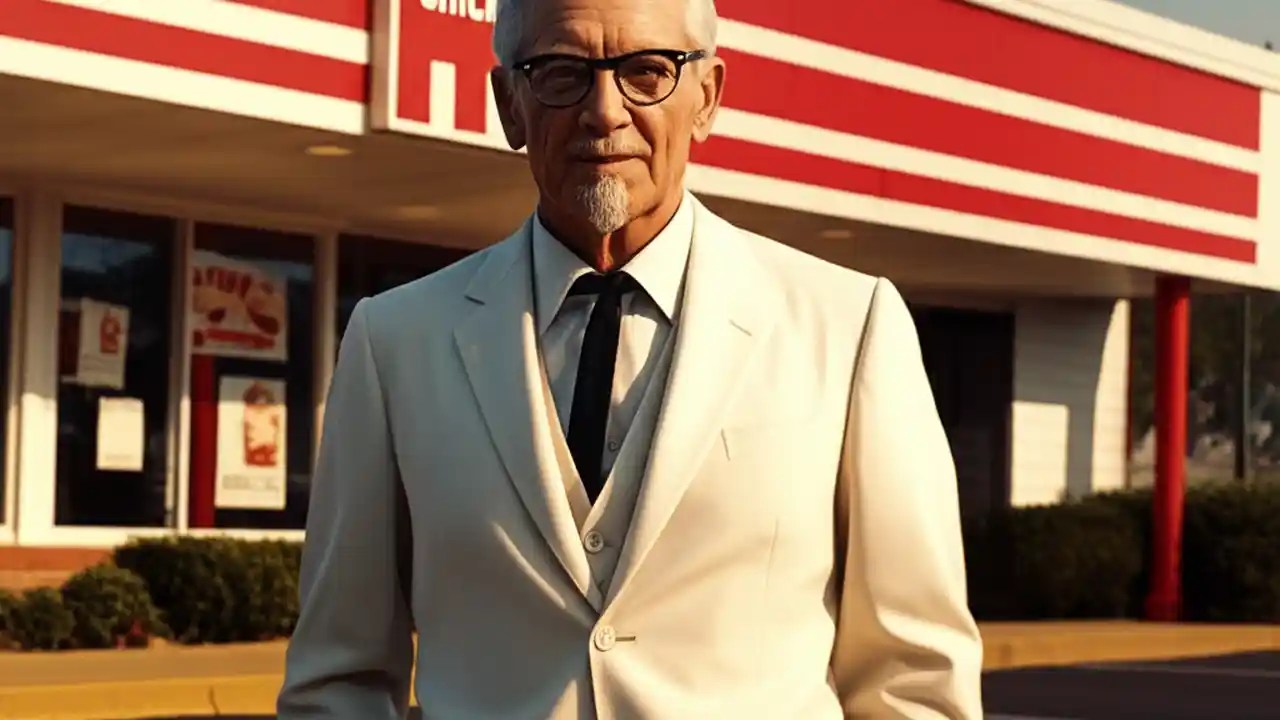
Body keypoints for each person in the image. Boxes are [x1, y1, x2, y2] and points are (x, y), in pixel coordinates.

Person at [276, 0, 984, 717]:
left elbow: (913, 679)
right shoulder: (396, 342)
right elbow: (338, 677)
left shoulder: (847, 326)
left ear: (707, 98)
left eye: (647, 71)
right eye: (562, 73)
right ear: (510, 105)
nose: (604, 111)